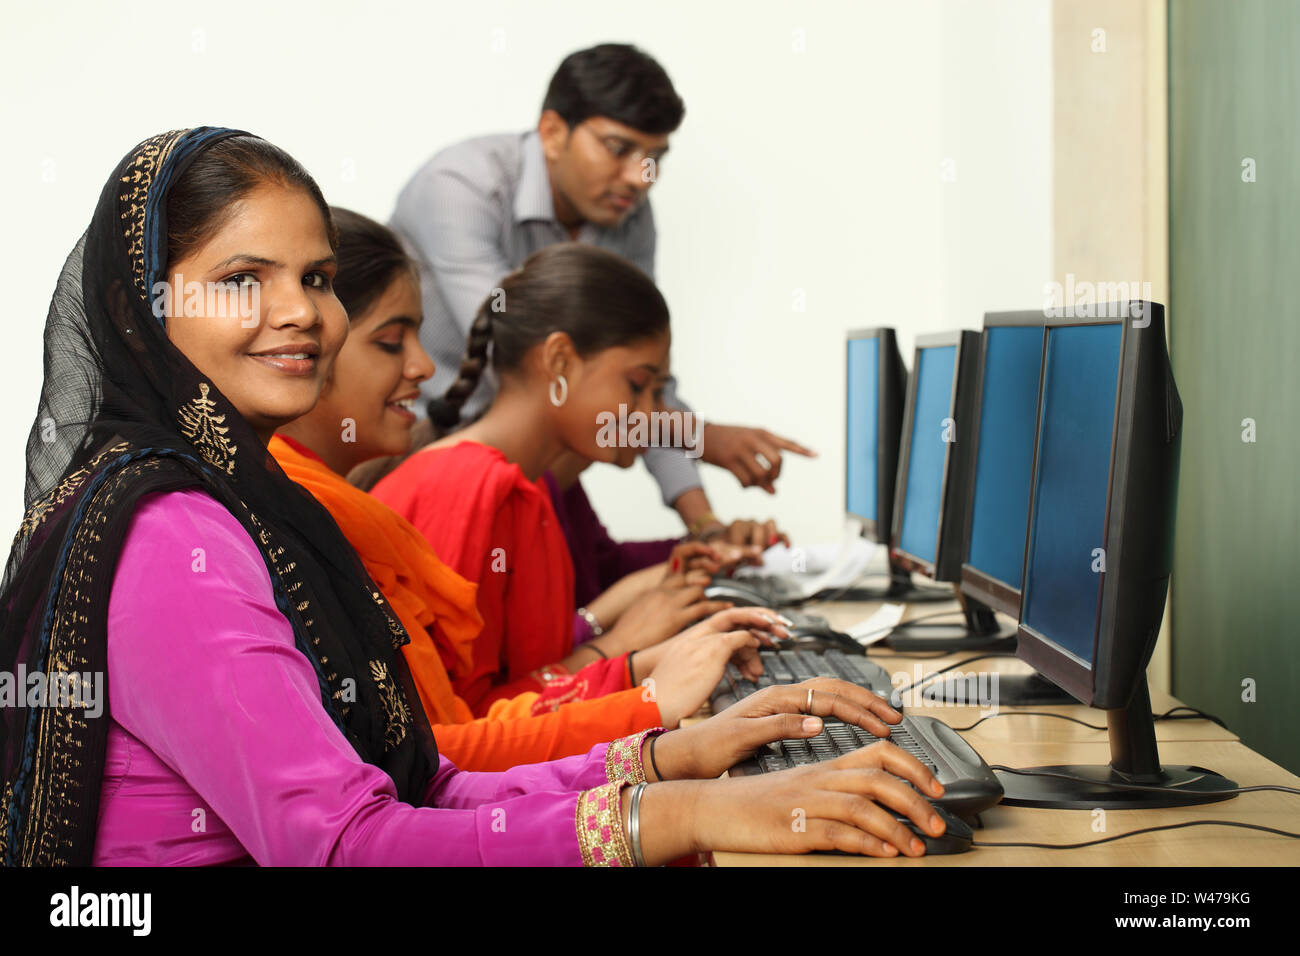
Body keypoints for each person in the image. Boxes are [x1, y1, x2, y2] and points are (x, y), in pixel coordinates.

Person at [0, 128, 947, 866]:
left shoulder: (252, 510)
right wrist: (675, 802)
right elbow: (342, 846)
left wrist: (668, 760)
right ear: (141, 310)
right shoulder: (170, 536)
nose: (300, 312)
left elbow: (418, 785)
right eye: (242, 280)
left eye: (317, 279)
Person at [271, 207, 739, 767]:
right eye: (637, 386)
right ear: (560, 361)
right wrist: (629, 671)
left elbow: (459, 724)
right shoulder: (463, 485)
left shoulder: (531, 487)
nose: (423, 367)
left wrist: (633, 664)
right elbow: (450, 746)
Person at [391, 42, 815, 541]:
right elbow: (530, 356)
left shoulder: (630, 219)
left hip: (529, 459)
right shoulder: (461, 186)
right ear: (552, 133)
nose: (641, 177)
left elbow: (639, 368)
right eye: (619, 149)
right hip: (416, 447)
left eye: (655, 157)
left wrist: (703, 525)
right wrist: (694, 434)